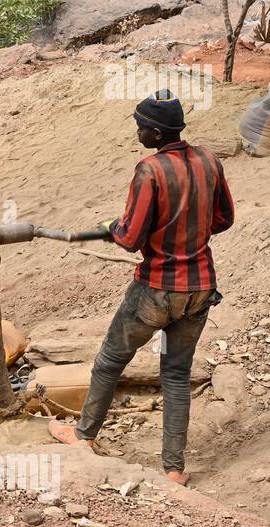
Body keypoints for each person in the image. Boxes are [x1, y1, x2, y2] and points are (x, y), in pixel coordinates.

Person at [49, 90, 234, 485]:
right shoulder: (209, 160)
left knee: (111, 360)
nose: (136, 131)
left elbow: (131, 237)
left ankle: (83, 437)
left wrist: (114, 229)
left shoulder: (149, 170)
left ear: (154, 132)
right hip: (200, 288)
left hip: (156, 289)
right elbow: (224, 218)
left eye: (139, 126)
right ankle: (173, 469)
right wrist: (190, 232)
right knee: (176, 373)